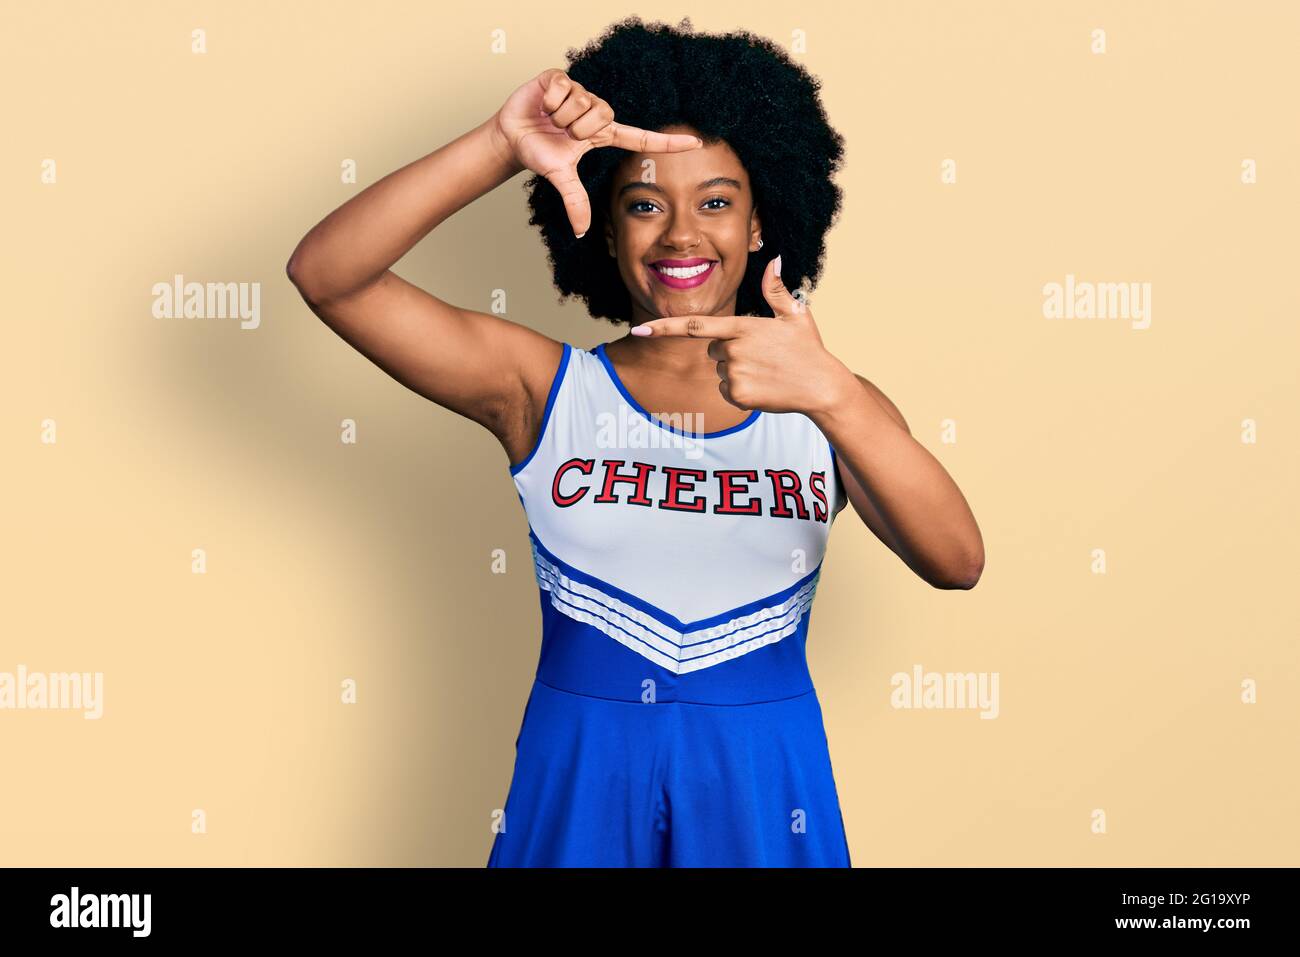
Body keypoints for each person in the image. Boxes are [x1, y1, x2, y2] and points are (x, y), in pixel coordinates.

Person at [287, 16, 984, 867]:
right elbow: (327, 274)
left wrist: (834, 391)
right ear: (606, 230)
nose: (682, 235)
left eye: (717, 202)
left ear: (764, 223)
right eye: (645, 204)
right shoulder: (541, 387)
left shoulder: (827, 403)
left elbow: (958, 560)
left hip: (764, 779)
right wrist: (501, 144)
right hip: (580, 769)